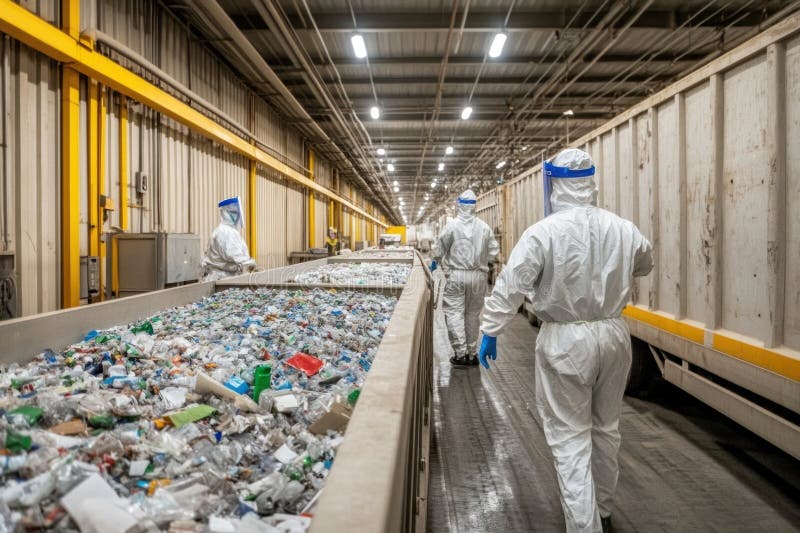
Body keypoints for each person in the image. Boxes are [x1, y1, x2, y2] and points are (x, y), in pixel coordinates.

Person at [479, 148, 653, 533]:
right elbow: (645, 262)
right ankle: (602, 510)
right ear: (590, 182)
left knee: (570, 437)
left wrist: (490, 329)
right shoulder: (621, 227)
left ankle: (583, 525)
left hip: (566, 341)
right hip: (613, 334)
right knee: (606, 428)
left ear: (554, 183)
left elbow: (512, 286)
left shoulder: (544, 232)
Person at [431, 189, 499, 366]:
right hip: (478, 276)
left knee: (454, 313)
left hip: (457, 275)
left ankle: (460, 354)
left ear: (459, 205)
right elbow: (493, 252)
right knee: (472, 314)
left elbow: (440, 247)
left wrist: (435, 261)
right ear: (474, 206)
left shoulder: (451, 226)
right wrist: (486, 264)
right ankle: (472, 353)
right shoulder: (484, 227)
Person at [201, 197, 256, 281]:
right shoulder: (224, 232)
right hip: (220, 278)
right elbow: (234, 254)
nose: (236, 216)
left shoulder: (228, 231)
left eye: (236, 213)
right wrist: (249, 263)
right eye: (233, 213)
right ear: (224, 213)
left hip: (225, 276)